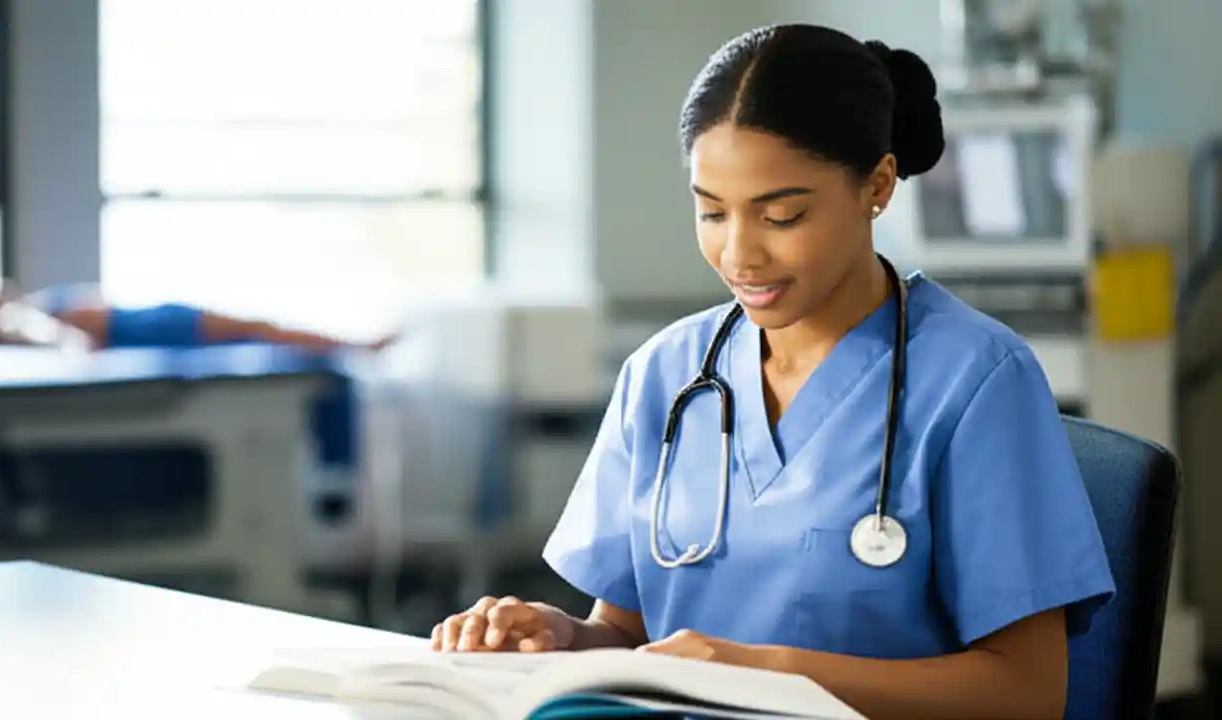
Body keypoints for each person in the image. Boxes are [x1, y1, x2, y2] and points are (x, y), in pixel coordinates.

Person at [429, 23, 1115, 720]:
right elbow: (630, 636)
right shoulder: (666, 375)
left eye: (782, 216)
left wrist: (762, 673)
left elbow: (1025, 694)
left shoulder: (975, 381)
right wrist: (561, 637)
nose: (739, 255)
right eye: (711, 212)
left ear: (876, 185)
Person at [0, 283, 394, 352]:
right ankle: (357, 346)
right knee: (259, 330)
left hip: (150, 321)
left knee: (259, 329)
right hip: (149, 330)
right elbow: (68, 338)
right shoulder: (21, 319)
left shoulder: (26, 305)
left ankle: (356, 345)